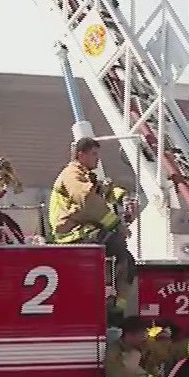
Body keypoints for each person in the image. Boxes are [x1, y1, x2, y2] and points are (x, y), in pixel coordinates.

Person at [50, 136, 137, 325]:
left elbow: (104, 192)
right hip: (72, 234)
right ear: (81, 155)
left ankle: (117, 308)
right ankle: (109, 306)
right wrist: (117, 225)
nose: (97, 159)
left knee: (127, 260)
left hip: (84, 230)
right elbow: (89, 202)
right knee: (116, 244)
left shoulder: (86, 176)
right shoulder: (72, 175)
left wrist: (124, 198)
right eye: (94, 154)